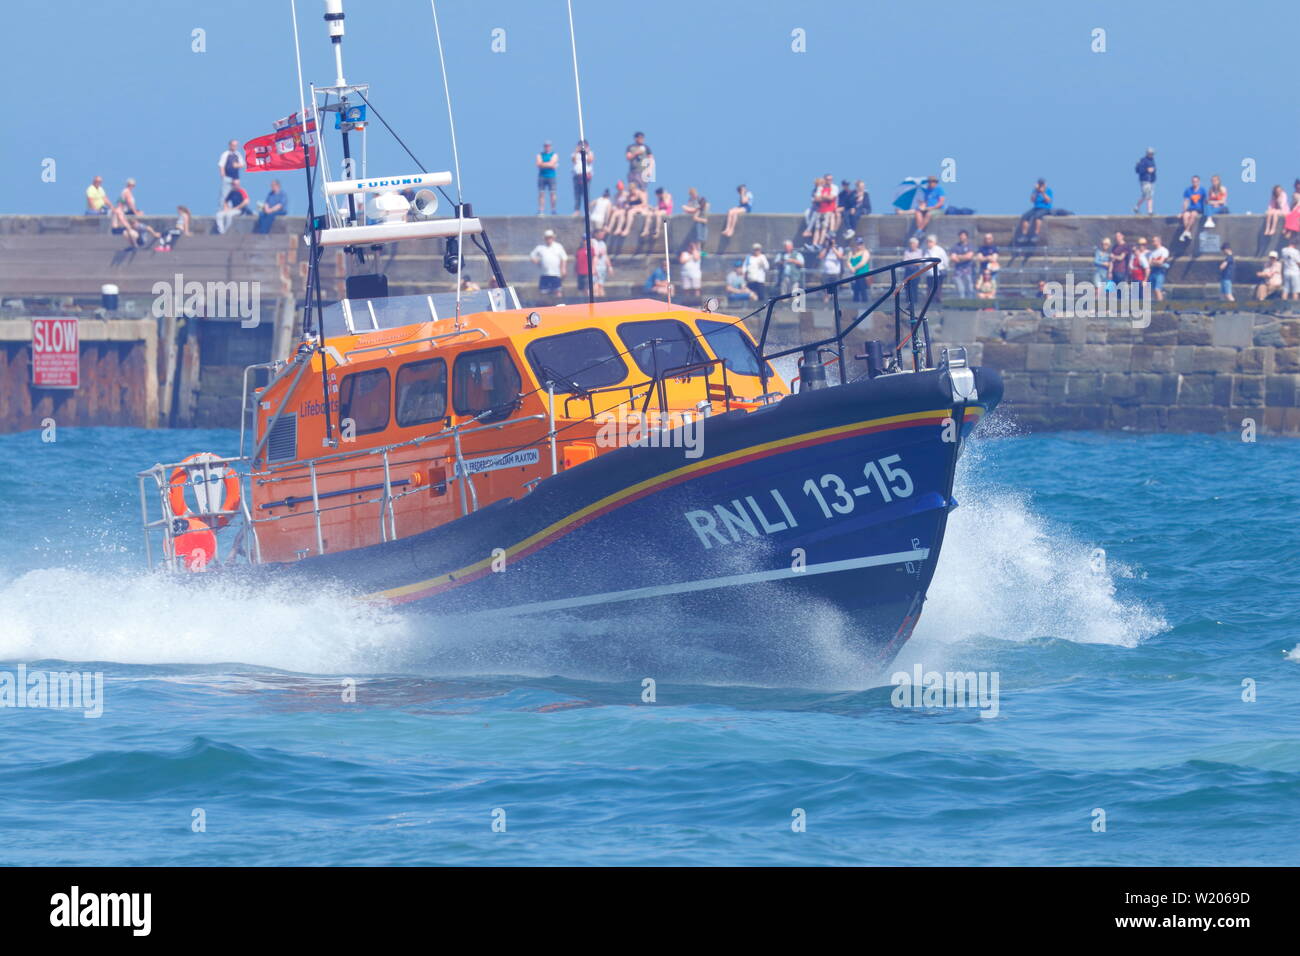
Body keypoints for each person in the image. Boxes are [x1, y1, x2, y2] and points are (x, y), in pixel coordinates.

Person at [529, 228, 567, 298]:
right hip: (544, 274)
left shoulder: (558, 246)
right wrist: (535, 260)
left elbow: (564, 258)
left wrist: (563, 269)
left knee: (558, 292)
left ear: (553, 238)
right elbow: (532, 255)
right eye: (547, 238)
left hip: (556, 274)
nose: (549, 239)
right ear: (544, 238)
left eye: (550, 237)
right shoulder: (540, 247)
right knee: (543, 293)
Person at [1179, 175, 1206, 241]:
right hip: (1190, 208)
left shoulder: (1203, 190)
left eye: (1196, 181)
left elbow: (1205, 201)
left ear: (1199, 182)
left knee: (1193, 214)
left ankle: (1186, 231)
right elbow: (1186, 201)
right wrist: (1183, 212)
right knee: (1185, 216)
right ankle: (1187, 232)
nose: (1195, 183)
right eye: (1193, 181)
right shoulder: (1188, 190)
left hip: (1198, 209)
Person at [218, 139, 244, 207]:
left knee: (235, 194)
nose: (234, 147)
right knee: (225, 194)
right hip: (227, 178)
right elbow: (221, 165)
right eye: (233, 145)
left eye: (236, 145)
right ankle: (224, 208)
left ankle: (233, 209)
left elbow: (242, 164)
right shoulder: (225, 154)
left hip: (235, 179)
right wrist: (223, 176)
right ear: (230, 145)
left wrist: (236, 165)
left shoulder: (238, 154)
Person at [950, 230, 975, 299]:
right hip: (958, 270)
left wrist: (958, 256)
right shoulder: (955, 246)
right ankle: (961, 303)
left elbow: (969, 256)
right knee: (960, 288)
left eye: (963, 236)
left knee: (969, 287)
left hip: (968, 270)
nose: (962, 237)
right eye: (960, 236)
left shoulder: (970, 246)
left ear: (966, 237)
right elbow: (953, 258)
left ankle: (970, 303)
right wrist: (964, 257)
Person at [535, 141, 559, 215]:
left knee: (553, 193)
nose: (547, 147)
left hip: (551, 176)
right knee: (541, 193)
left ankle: (553, 210)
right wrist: (550, 164)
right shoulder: (539, 155)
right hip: (542, 176)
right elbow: (538, 164)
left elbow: (552, 163)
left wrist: (543, 164)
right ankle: (541, 210)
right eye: (546, 146)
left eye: (548, 146)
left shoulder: (554, 154)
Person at [570, 140, 593, 214]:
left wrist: (587, 151)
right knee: (577, 194)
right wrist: (576, 151)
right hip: (577, 176)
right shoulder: (575, 154)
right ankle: (577, 210)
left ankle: (588, 210)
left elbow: (590, 160)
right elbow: (573, 160)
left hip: (586, 176)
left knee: (586, 194)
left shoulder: (589, 153)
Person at [924, 234, 949, 302]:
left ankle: (938, 301)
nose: (929, 243)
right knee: (929, 288)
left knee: (938, 288)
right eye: (928, 242)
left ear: (934, 242)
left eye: (930, 242)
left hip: (938, 273)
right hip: (929, 273)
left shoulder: (940, 250)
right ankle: (929, 302)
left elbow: (945, 260)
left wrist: (944, 267)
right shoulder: (926, 250)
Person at [1133, 148, 1156, 215]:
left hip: (1151, 181)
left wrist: (1152, 170)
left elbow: (1153, 170)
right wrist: (1147, 170)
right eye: (1150, 153)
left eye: (1152, 153)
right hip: (1145, 181)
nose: (1152, 154)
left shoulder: (1152, 160)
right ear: (1147, 153)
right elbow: (1139, 171)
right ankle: (1150, 211)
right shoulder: (1143, 161)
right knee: (1149, 196)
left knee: (1145, 196)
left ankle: (1136, 207)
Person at [1148, 235, 1170, 301]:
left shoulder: (1164, 250)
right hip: (1153, 272)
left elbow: (1161, 262)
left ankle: (1160, 306)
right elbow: (1149, 263)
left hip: (1160, 272)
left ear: (1158, 241)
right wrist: (1156, 262)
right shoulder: (1152, 252)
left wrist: (1154, 261)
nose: (1152, 242)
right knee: (1152, 290)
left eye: (1154, 241)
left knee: (1157, 289)